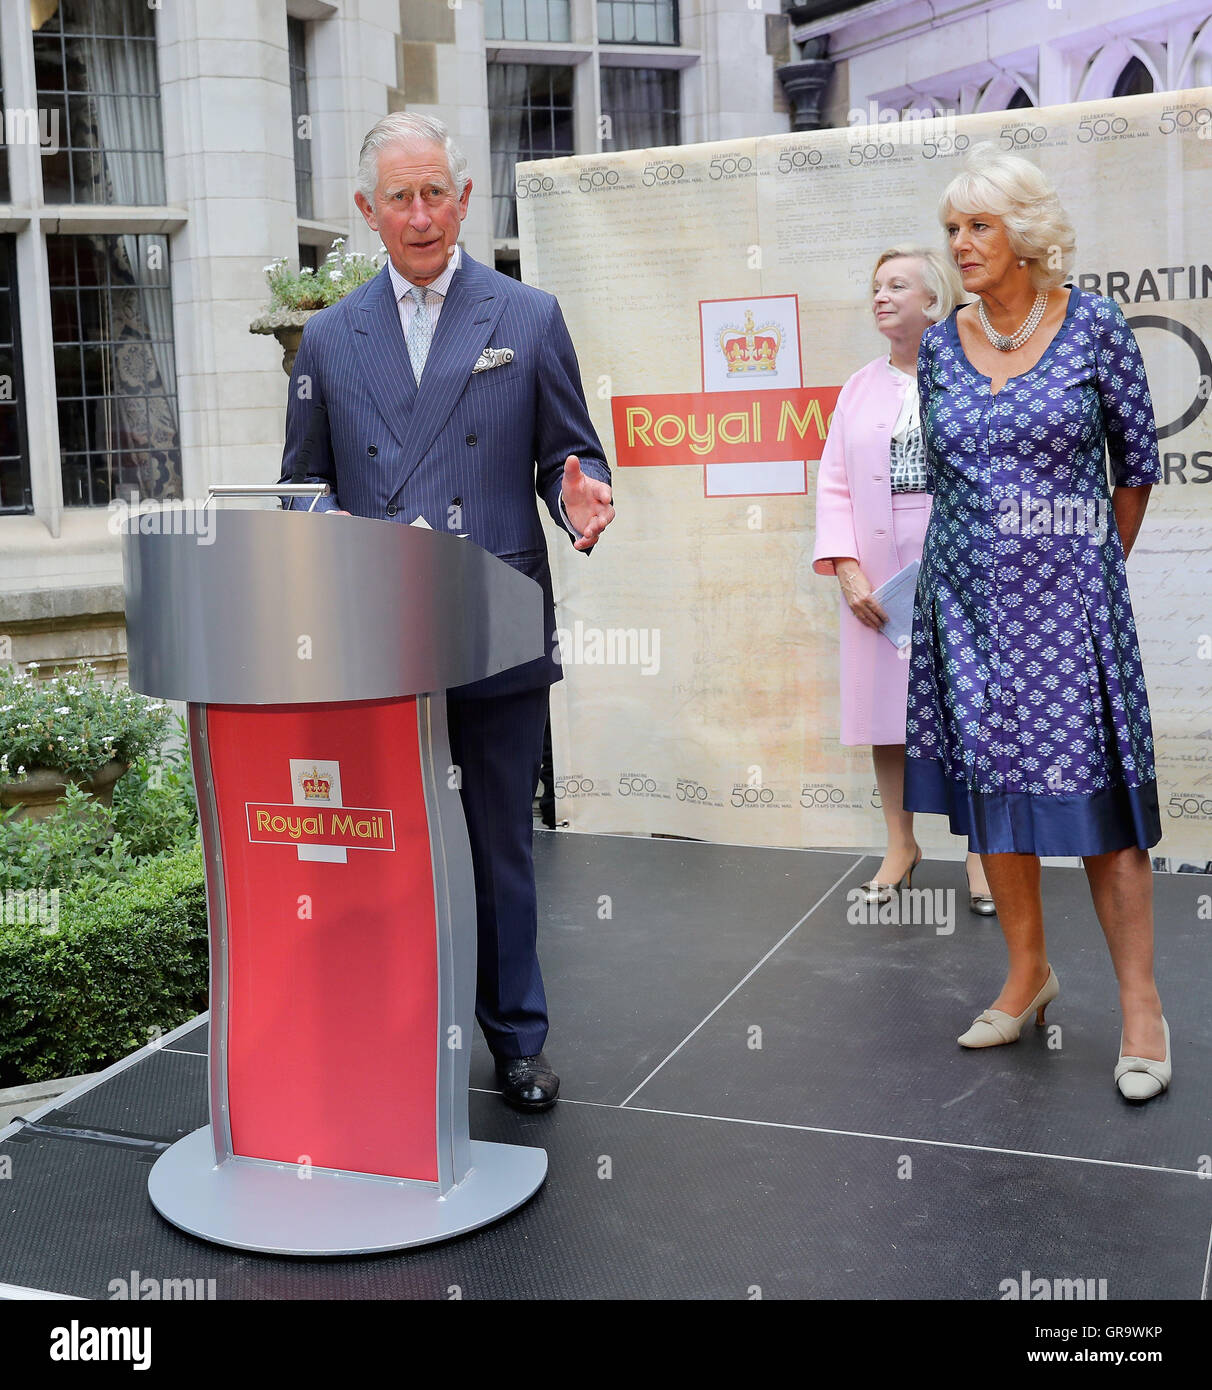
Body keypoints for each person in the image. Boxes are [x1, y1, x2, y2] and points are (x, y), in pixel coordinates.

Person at [276, 112, 615, 1111]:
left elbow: (568, 451)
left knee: (499, 842)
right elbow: (302, 486)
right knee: (387, 847)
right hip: (377, 636)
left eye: (436, 194)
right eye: (400, 198)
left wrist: (578, 489)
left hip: (495, 622)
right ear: (365, 211)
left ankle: (515, 1038)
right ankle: (399, 1031)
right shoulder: (329, 340)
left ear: (466, 200)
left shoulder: (527, 316)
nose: (420, 216)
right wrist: (334, 529)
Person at [905, 143, 1170, 1101]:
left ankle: (1142, 1008)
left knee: (1103, 815)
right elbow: (947, 482)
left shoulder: (1096, 327)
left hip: (1072, 616)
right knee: (995, 804)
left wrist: (1087, 571)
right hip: (966, 609)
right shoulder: (939, 347)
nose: (961, 245)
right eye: (952, 230)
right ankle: (1027, 976)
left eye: (979, 226)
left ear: (1027, 235)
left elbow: (1136, 467)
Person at [814, 247, 995, 914]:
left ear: (935, 301)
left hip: (961, 566)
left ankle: (983, 857)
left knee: (971, 712)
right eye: (875, 287)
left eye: (897, 286)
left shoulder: (975, 377)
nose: (881, 297)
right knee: (887, 717)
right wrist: (848, 569)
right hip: (878, 577)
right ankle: (900, 845)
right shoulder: (858, 387)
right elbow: (833, 482)